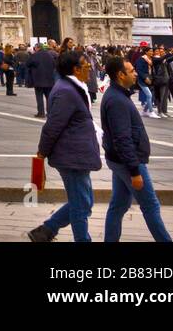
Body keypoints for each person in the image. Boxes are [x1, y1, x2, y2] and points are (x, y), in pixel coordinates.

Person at [28, 49, 101, 242]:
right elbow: (52, 126)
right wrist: (42, 152)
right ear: (76, 70)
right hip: (71, 156)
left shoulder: (71, 88)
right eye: (87, 67)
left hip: (76, 154)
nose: (90, 70)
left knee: (84, 202)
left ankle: (46, 230)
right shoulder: (66, 91)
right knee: (81, 205)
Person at [99, 56, 171, 242]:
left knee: (119, 205)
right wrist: (134, 170)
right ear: (120, 75)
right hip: (128, 162)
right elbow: (122, 138)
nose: (135, 73)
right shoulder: (117, 101)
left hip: (119, 159)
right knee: (150, 206)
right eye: (131, 71)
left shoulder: (118, 95)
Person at [27, 43, 57, 118]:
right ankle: (50, 112)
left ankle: (41, 113)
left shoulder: (35, 55)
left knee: (39, 97)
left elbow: (28, 64)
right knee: (49, 97)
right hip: (49, 80)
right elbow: (54, 65)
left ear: (37, 48)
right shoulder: (49, 55)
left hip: (38, 80)